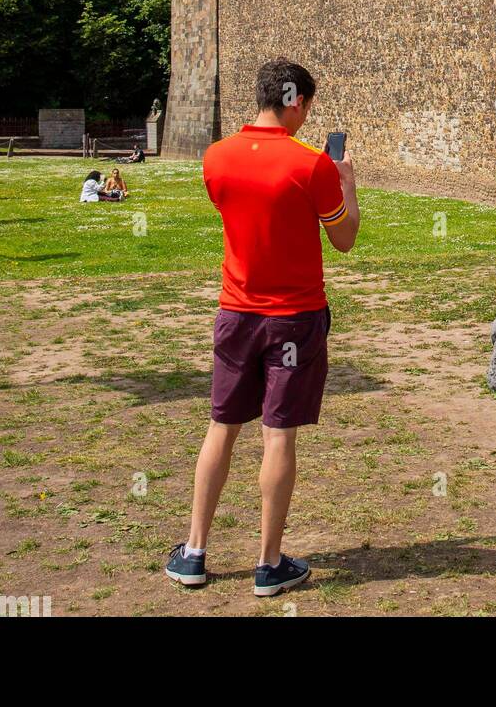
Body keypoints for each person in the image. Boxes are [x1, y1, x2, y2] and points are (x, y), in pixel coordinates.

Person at [165, 57, 360, 596]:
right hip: (294, 319)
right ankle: (268, 564)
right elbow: (344, 239)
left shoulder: (216, 158)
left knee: (221, 427)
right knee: (279, 436)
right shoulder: (312, 165)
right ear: (296, 101)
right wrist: (347, 184)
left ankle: (195, 552)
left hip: (236, 314)